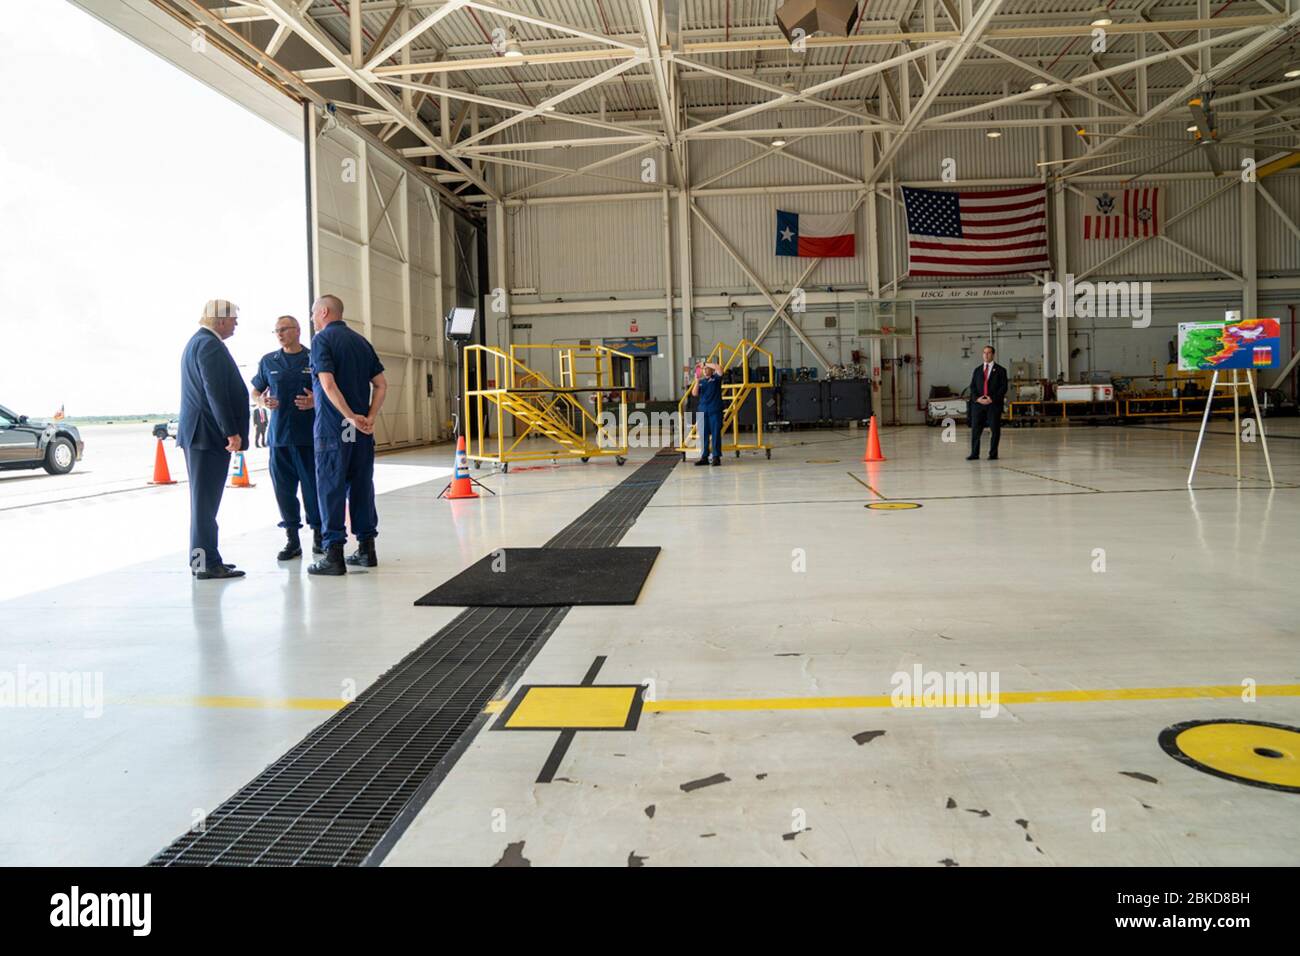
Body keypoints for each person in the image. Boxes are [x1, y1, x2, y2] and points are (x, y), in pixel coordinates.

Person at [307, 294, 387, 576]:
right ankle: (366, 549)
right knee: (361, 484)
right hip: (360, 430)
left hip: (334, 429)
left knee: (331, 487)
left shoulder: (321, 341)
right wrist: (368, 417)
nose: (313, 320)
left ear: (325, 312)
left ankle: (333, 555)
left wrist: (348, 417)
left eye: (314, 314)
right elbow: (380, 384)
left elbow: (327, 384)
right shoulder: (361, 342)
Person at [177, 299, 250, 580]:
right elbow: (214, 391)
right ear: (220, 320)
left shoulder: (200, 342)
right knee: (204, 504)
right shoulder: (209, 345)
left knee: (205, 503)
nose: (236, 324)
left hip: (202, 434)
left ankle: (208, 558)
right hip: (207, 435)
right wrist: (230, 430)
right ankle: (205, 563)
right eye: (234, 319)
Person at [251, 315, 322, 561]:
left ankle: (319, 536)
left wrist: (315, 400)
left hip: (309, 438)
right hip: (279, 438)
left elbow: (330, 389)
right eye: (276, 331)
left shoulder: (314, 358)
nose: (279, 334)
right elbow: (255, 391)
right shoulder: (269, 360)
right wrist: (262, 402)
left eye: (284, 329)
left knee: (312, 489)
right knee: (284, 491)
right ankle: (292, 539)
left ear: (297, 331)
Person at [967, 345, 1008, 461]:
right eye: (984, 353)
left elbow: (1003, 387)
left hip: (993, 405)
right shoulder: (977, 370)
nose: (986, 355)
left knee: (995, 429)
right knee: (975, 429)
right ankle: (974, 453)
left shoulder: (1001, 370)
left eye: (989, 353)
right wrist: (977, 399)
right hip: (978, 405)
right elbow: (972, 387)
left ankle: (993, 454)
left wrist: (992, 399)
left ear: (993, 354)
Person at [692, 361, 724, 466]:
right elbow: (694, 393)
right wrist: (696, 381)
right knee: (703, 435)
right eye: (703, 369)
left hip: (714, 410)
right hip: (703, 411)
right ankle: (704, 457)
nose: (705, 371)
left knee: (715, 434)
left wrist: (705, 363)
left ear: (711, 369)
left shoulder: (716, 379)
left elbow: (719, 368)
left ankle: (716, 457)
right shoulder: (701, 382)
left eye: (706, 369)